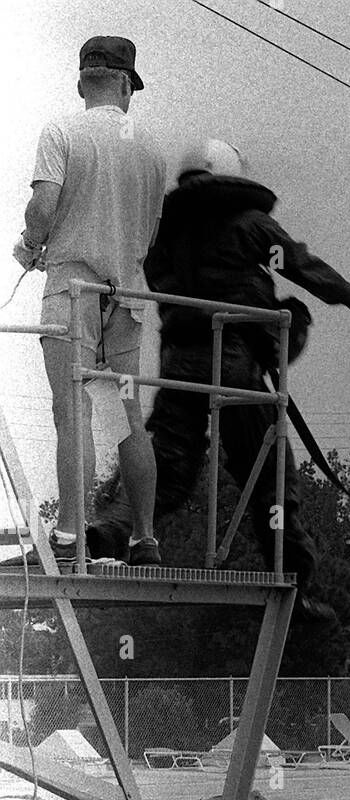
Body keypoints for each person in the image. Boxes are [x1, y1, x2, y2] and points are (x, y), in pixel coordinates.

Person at [87, 139, 350, 609]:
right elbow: (297, 264)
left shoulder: (163, 235)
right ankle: (295, 583)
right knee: (269, 479)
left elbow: (154, 281)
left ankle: (112, 528)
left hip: (181, 362)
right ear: (231, 174)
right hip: (236, 366)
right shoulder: (251, 225)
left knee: (169, 464)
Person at [13, 36, 166, 568]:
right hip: (127, 300)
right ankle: (144, 537)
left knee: (71, 412)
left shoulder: (62, 131)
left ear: (82, 81)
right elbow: (150, 232)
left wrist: (31, 247)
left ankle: (72, 534)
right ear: (126, 84)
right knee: (126, 416)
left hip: (72, 293)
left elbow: (43, 207)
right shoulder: (149, 148)